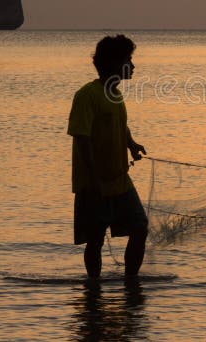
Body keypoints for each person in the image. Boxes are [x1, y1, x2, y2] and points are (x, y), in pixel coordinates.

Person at [68, 34, 148, 279]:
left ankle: (131, 283)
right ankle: (93, 288)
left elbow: (118, 124)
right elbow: (82, 139)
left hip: (119, 180)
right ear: (115, 63)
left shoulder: (114, 94)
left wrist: (131, 144)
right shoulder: (86, 95)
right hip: (95, 184)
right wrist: (94, 181)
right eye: (128, 60)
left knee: (140, 227)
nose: (133, 66)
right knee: (95, 240)